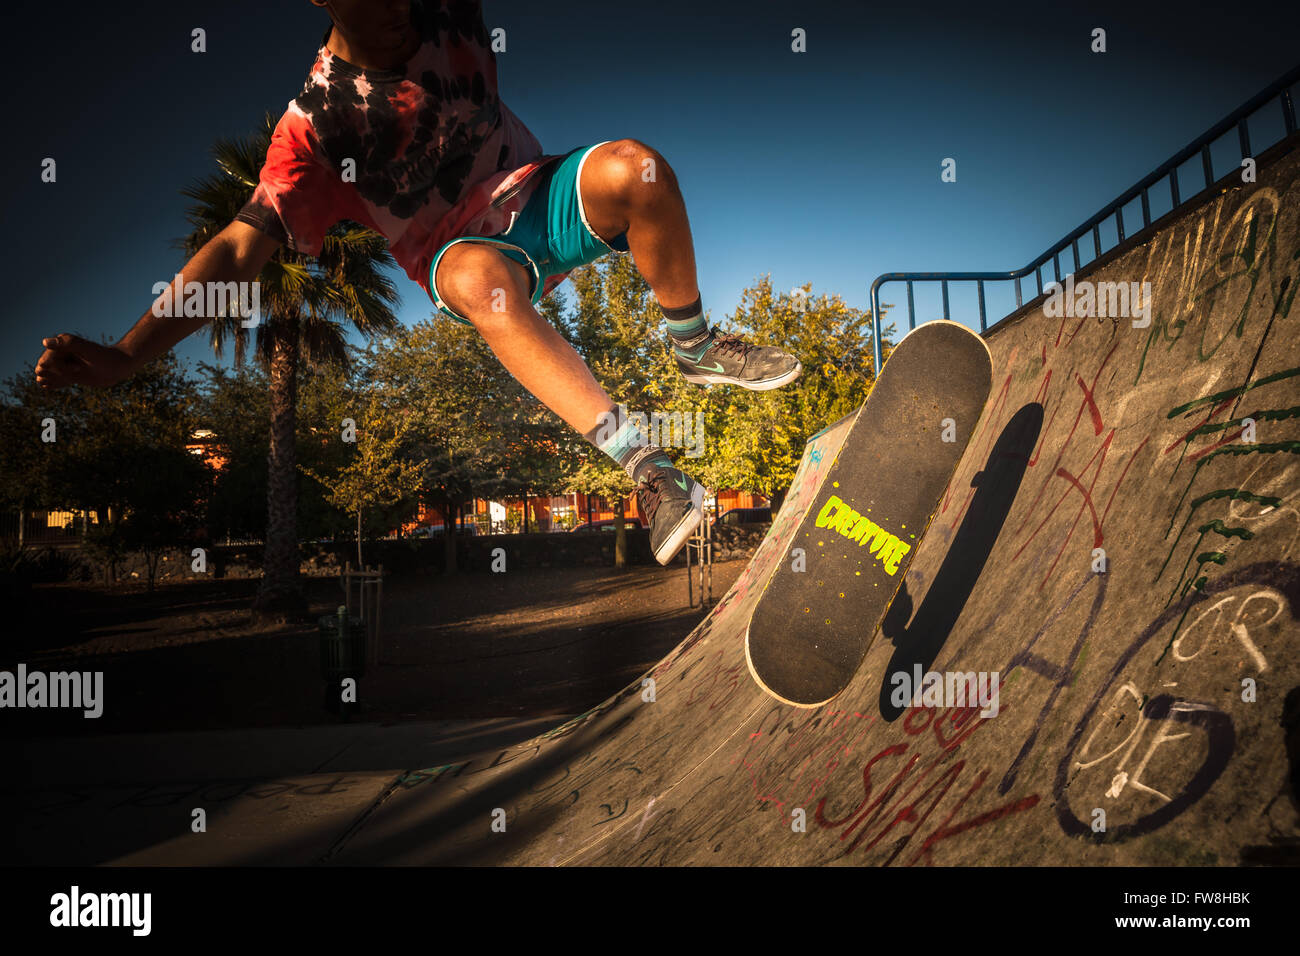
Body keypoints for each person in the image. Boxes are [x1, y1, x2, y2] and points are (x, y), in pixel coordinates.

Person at [34, 0, 802, 565]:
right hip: (461, 250)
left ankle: (694, 343)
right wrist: (129, 354)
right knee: (478, 278)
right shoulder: (313, 127)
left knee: (638, 168)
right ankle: (650, 469)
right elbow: (238, 249)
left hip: (536, 194)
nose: (406, 13)